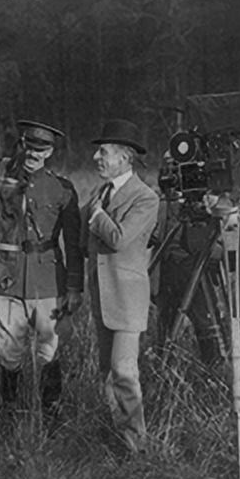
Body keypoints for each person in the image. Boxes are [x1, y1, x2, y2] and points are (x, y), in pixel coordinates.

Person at [0, 120, 84, 415]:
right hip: (8, 279)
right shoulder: (2, 183)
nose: (33, 154)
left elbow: (74, 242)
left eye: (40, 149)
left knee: (49, 349)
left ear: (50, 152)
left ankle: (51, 414)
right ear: (22, 145)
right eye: (29, 147)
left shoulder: (61, 189)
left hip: (48, 281)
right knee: (9, 350)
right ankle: (10, 411)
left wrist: (74, 287)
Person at [83, 119, 160, 454]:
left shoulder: (145, 197)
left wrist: (97, 213)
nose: (97, 158)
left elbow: (119, 238)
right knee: (106, 372)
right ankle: (116, 437)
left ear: (125, 158)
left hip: (127, 299)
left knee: (123, 372)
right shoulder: (100, 192)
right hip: (102, 295)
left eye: (104, 152)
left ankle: (136, 445)